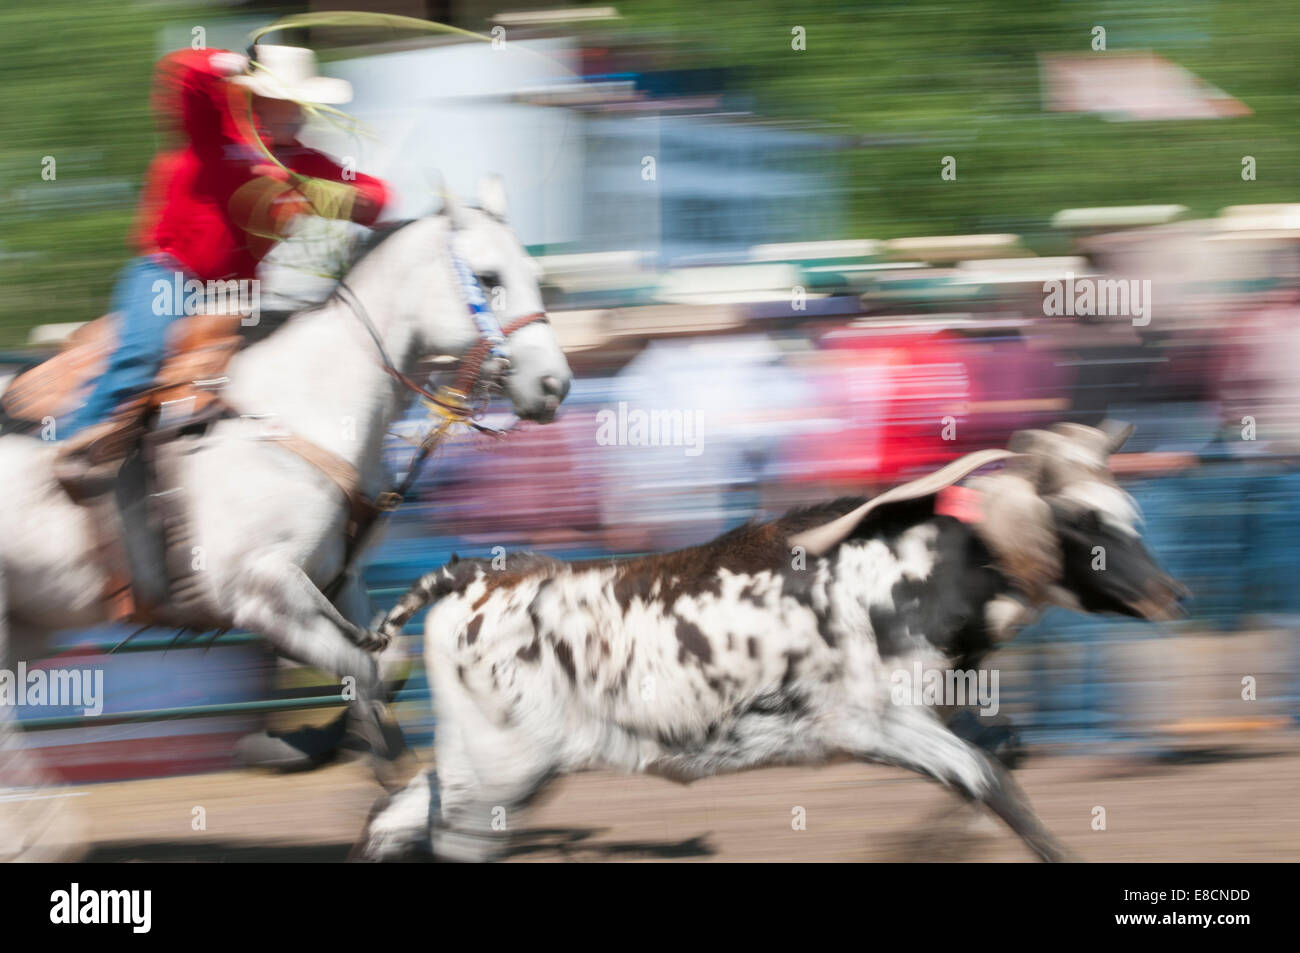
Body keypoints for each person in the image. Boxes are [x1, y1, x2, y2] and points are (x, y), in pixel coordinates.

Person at [57, 44, 390, 484]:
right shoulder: (216, 130)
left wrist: (332, 196)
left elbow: (375, 199)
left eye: (300, 103)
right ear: (258, 99)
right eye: (287, 101)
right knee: (141, 355)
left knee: (290, 364)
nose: (299, 113)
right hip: (170, 275)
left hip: (238, 294)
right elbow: (183, 74)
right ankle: (63, 446)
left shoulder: (303, 163)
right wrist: (226, 63)